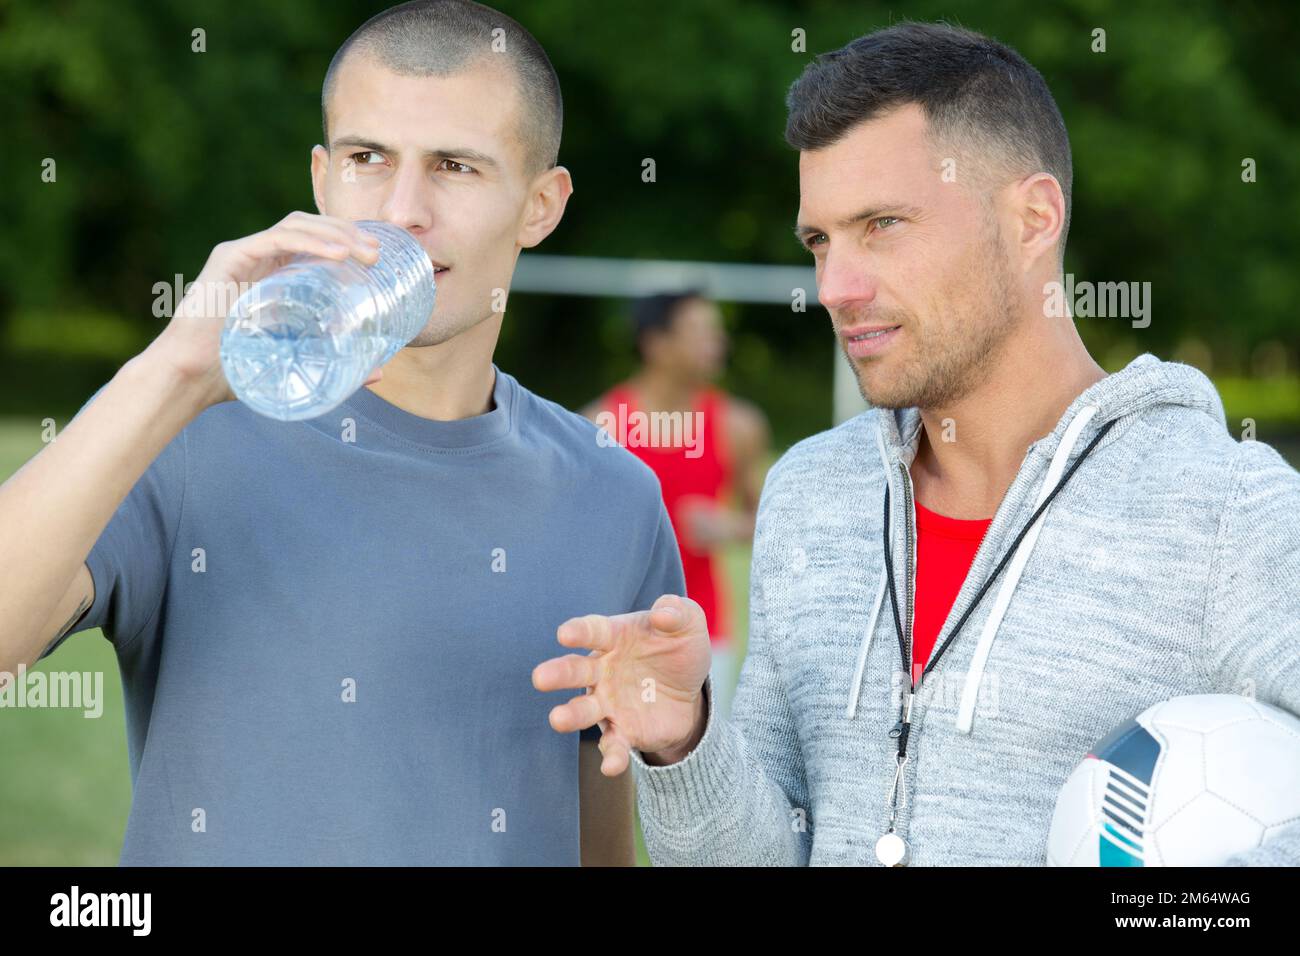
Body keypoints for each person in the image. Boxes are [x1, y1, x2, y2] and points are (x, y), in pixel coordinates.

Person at [534, 22, 1300, 865]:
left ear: (1033, 218)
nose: (835, 287)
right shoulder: (810, 496)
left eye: (883, 225)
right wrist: (683, 742)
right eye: (820, 241)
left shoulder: (1231, 514)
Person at [0, 0, 683, 866]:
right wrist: (169, 373)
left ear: (541, 205)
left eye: (455, 167)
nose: (402, 209)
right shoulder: (182, 432)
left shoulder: (612, 495)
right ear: (323, 181)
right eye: (369, 159)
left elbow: (597, 845)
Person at [580, 292, 768, 719]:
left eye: (717, 333)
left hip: (705, 631)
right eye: (701, 332)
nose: (717, 343)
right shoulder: (599, 425)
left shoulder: (738, 426)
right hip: (616, 631)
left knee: (698, 770)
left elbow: (766, 525)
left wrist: (730, 527)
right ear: (656, 344)